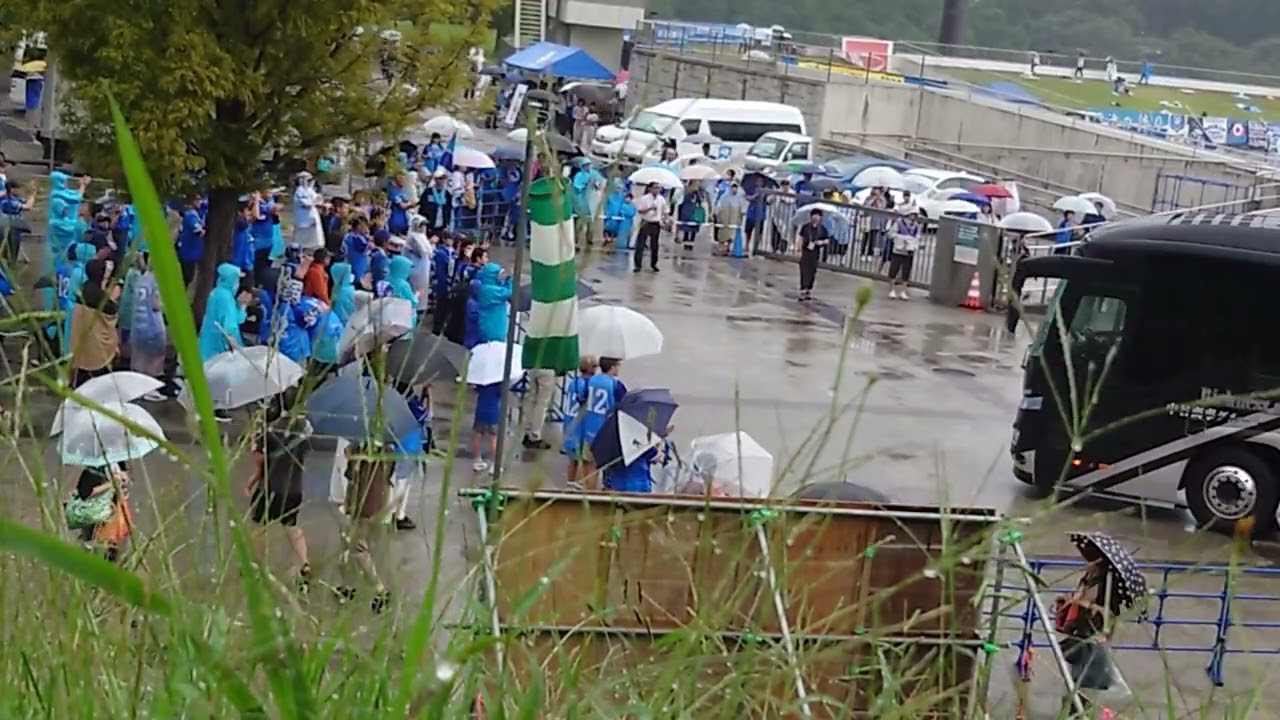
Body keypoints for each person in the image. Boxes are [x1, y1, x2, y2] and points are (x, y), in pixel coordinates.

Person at [247, 392, 313, 592]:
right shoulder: (304, 429)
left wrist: (253, 443)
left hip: (270, 488)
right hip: (294, 489)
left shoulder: (270, 431)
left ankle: (257, 566)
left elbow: (260, 460)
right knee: (292, 526)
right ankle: (305, 564)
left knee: (260, 526)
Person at [338, 442, 394, 613]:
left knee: (358, 548)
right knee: (351, 545)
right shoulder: (388, 450)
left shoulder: (360, 449)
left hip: (362, 505)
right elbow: (388, 475)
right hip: (377, 504)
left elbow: (352, 476)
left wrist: (350, 457)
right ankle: (348, 585)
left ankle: (380, 590)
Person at [567, 356, 624, 489]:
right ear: (612, 367)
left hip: (589, 427)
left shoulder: (590, 381)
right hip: (604, 429)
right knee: (598, 464)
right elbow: (623, 403)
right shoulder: (615, 384)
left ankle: (580, 487)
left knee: (587, 462)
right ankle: (593, 491)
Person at [69, 258, 121, 388]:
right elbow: (110, 312)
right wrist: (113, 298)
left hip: (81, 345)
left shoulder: (83, 288)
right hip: (97, 349)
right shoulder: (99, 295)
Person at [128, 253, 173, 400]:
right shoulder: (157, 281)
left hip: (138, 323)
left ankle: (135, 387)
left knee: (139, 357)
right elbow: (156, 304)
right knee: (154, 357)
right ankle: (147, 389)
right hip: (152, 325)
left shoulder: (142, 278)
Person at [71, 465, 132, 563]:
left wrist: (122, 484)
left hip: (117, 520)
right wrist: (110, 484)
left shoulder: (119, 463)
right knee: (94, 555)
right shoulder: (93, 470)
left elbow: (123, 493)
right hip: (97, 521)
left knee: (116, 555)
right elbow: (85, 493)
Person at [562, 355, 597, 486]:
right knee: (588, 461)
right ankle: (588, 488)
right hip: (580, 427)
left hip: (569, 423)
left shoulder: (574, 382)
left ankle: (570, 483)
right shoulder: (589, 386)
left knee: (572, 460)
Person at [471, 262, 512, 344]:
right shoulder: (490, 290)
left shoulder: (486, 287)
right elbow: (509, 292)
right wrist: (510, 279)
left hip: (490, 328)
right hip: (493, 331)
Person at [632, 182, 668, 273]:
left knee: (654, 245)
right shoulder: (644, 198)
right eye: (655, 188)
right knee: (640, 244)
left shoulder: (661, 199)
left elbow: (665, 210)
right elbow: (640, 210)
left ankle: (654, 263)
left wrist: (664, 220)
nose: (657, 190)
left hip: (655, 223)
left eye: (659, 188)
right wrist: (649, 208)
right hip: (646, 222)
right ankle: (637, 265)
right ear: (650, 188)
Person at [795, 208, 828, 302]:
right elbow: (800, 238)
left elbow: (827, 240)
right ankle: (803, 289)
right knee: (804, 270)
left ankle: (809, 289)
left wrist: (820, 242)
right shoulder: (805, 227)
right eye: (814, 215)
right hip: (805, 251)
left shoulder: (822, 229)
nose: (816, 217)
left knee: (812, 271)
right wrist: (799, 250)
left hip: (815, 252)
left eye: (818, 215)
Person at [887, 211, 922, 300]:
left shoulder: (916, 226)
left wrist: (914, 243)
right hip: (898, 250)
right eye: (912, 214)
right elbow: (890, 234)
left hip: (909, 251)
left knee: (906, 271)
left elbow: (918, 237)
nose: (913, 217)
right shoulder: (898, 223)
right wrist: (901, 238)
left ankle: (903, 291)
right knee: (894, 270)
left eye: (915, 215)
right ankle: (892, 290)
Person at [471, 381, 503, 473]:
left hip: (480, 411)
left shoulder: (481, 380)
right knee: (493, 437)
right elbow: (501, 394)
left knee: (478, 435)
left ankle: (477, 460)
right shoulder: (498, 381)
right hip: (493, 412)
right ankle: (494, 464)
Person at [177, 195, 205, 288]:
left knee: (189, 278)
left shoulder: (195, 214)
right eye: (197, 200)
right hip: (188, 253)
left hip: (191, 252)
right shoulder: (191, 215)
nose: (200, 202)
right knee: (187, 278)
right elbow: (198, 231)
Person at [292, 172, 324, 250]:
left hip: (312, 216)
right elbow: (306, 203)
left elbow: (319, 199)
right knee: (302, 239)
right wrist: (314, 202)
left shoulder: (310, 190)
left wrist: (317, 201)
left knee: (314, 238)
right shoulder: (299, 191)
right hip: (303, 218)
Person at [714, 181, 747, 255]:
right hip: (724, 217)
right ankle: (721, 248)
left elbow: (742, 208)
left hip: (734, 218)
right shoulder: (724, 196)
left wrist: (742, 213)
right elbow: (719, 205)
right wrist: (717, 213)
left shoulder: (739, 198)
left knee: (732, 234)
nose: (734, 189)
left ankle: (728, 248)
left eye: (736, 187)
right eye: (733, 187)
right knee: (723, 234)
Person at [419, 169, 453, 235]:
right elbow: (423, 207)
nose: (442, 180)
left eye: (443, 178)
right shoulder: (428, 192)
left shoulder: (447, 194)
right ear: (435, 179)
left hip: (441, 225)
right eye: (440, 178)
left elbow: (449, 209)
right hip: (429, 225)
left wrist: (447, 223)